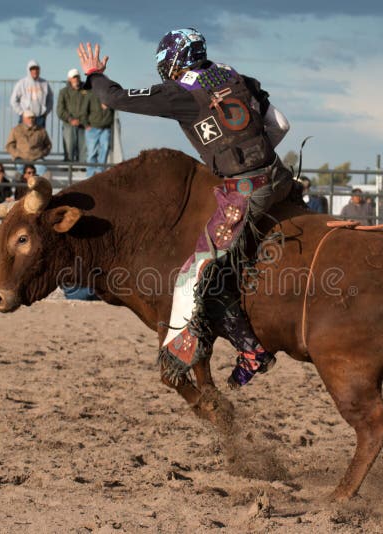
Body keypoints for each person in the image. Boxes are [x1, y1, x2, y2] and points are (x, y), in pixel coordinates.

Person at [78, 30, 293, 389]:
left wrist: (94, 74)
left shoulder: (180, 93)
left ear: (172, 62)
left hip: (246, 190)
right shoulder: (237, 76)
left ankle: (251, 350)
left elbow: (115, 98)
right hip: (280, 178)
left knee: (196, 272)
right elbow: (281, 125)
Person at [5, 111, 51, 177]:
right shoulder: (16, 130)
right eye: (29, 118)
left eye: (33, 118)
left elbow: (48, 145)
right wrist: (17, 154)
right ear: (24, 119)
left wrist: (42, 153)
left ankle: (41, 186)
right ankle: (19, 186)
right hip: (20, 158)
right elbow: (9, 145)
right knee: (18, 174)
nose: (31, 120)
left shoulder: (41, 131)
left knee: (45, 173)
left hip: (37, 158)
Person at [57, 68, 89, 163]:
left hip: (83, 124)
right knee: (69, 147)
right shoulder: (63, 92)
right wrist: (70, 119)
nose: (76, 79)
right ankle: (68, 167)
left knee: (83, 148)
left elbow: (90, 105)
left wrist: (85, 120)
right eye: (74, 77)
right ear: (69, 79)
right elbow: (60, 110)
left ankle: (83, 167)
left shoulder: (87, 90)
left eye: (77, 77)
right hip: (68, 124)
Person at [10, 60, 53, 128]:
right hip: (25, 118)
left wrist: (45, 112)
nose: (35, 71)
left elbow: (50, 99)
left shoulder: (45, 83)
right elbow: (13, 100)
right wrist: (22, 113)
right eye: (32, 69)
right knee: (23, 138)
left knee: (40, 138)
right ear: (28, 70)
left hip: (40, 118)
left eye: (37, 69)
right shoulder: (22, 83)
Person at [84, 90, 114, 177]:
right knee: (92, 152)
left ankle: (100, 172)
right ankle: (90, 175)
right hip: (92, 128)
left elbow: (116, 108)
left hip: (106, 128)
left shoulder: (111, 95)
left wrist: (108, 105)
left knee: (104, 149)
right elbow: (84, 110)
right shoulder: (90, 95)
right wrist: (86, 125)